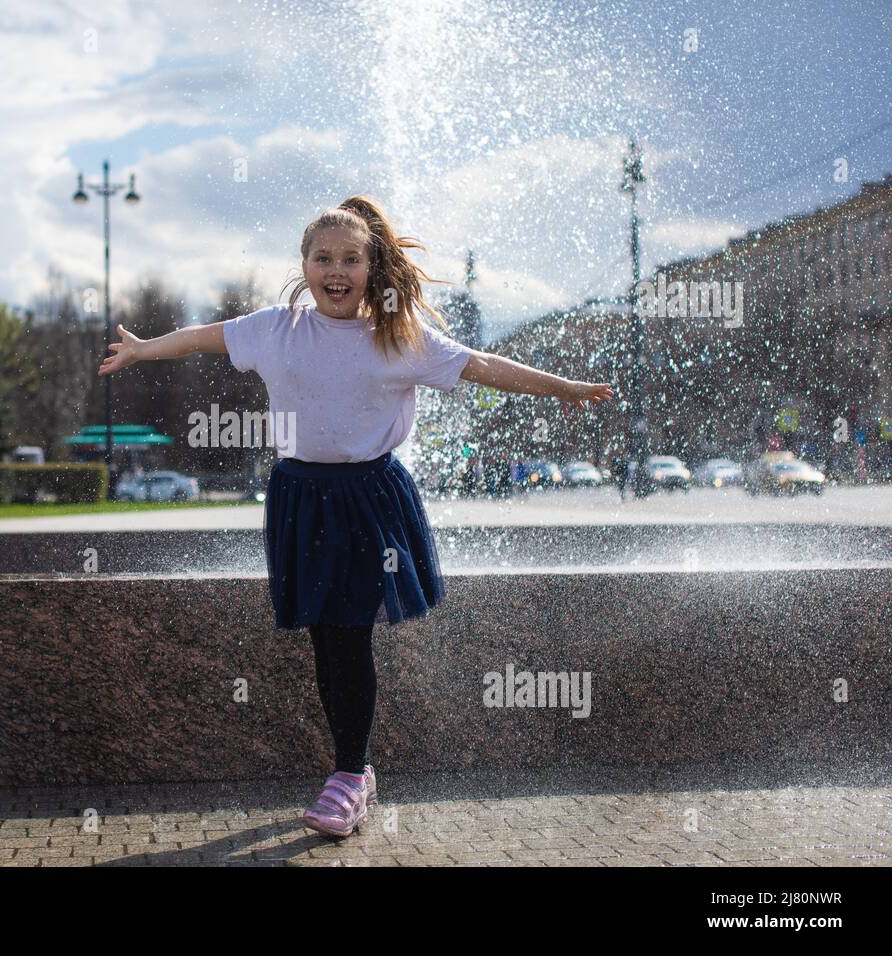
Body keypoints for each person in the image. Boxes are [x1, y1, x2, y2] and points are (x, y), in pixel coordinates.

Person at [97, 195, 615, 838]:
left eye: (350, 258)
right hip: (300, 496)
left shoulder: (399, 336)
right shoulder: (274, 327)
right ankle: (352, 772)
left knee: (347, 634)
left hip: (370, 496)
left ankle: (348, 775)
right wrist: (145, 349)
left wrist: (562, 387)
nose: (335, 269)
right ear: (305, 265)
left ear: (373, 267)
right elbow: (205, 337)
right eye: (322, 258)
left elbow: (482, 367)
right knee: (327, 637)